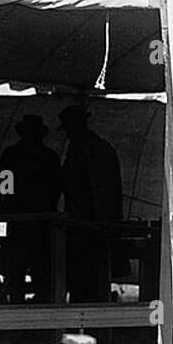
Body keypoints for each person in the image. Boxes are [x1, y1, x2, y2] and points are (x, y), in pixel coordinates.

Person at [0, 114, 63, 303]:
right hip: (32, 225)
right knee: (32, 274)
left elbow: (1, 184)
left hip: (25, 225)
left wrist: (4, 208)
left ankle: (27, 311)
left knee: (22, 274)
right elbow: (2, 183)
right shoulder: (44, 157)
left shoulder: (15, 156)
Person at [58, 103, 123, 303]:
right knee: (96, 279)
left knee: (84, 279)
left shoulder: (81, 149)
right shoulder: (102, 147)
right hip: (100, 225)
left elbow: (72, 184)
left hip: (85, 226)